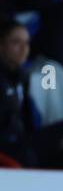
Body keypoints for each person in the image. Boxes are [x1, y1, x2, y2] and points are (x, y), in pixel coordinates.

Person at [0, 20, 38, 167]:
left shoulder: (22, 77)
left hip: (20, 141)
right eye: (16, 42)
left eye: (27, 43)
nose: (24, 49)